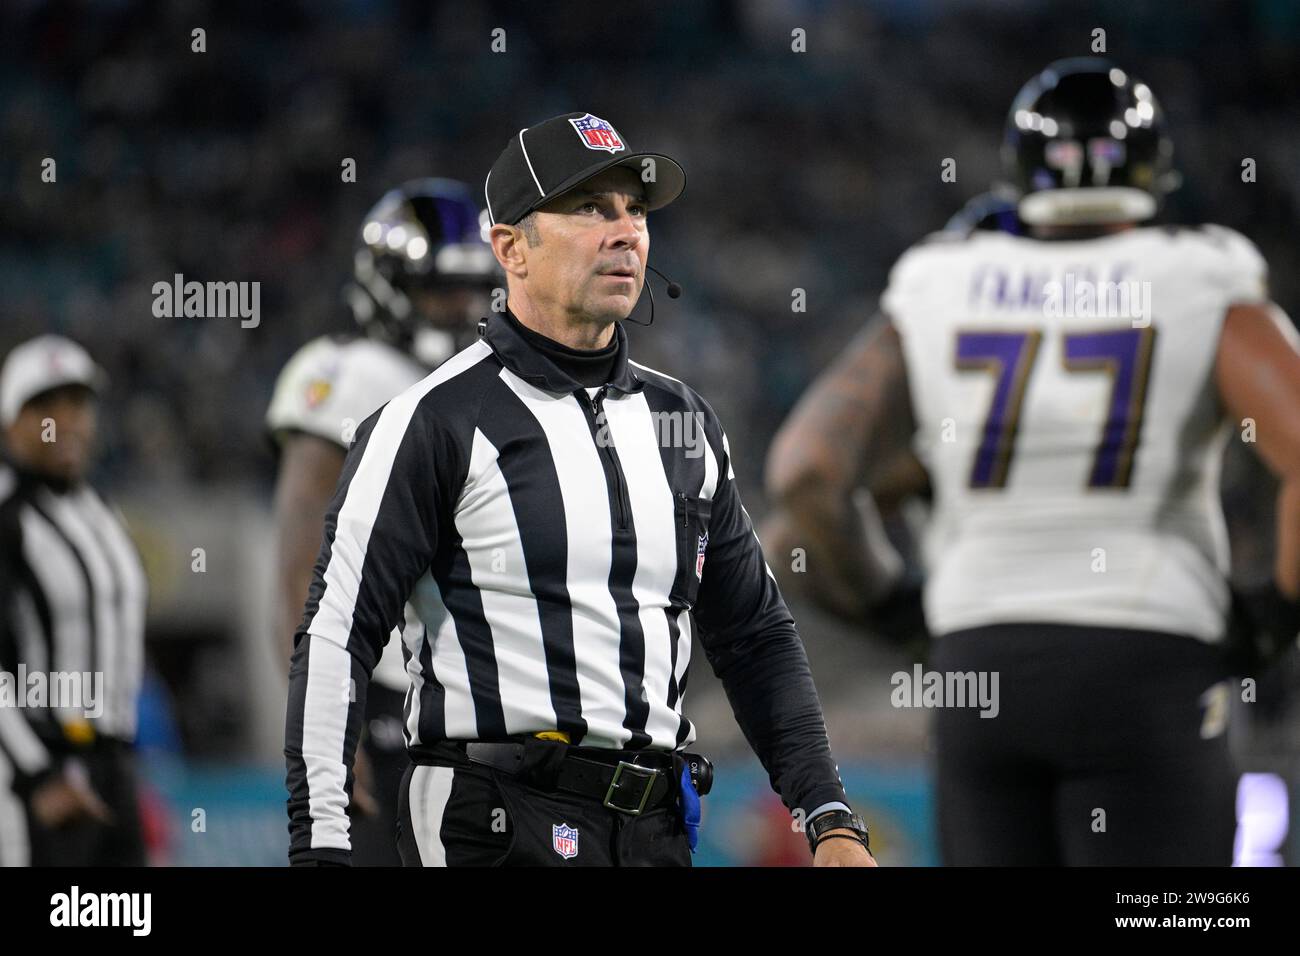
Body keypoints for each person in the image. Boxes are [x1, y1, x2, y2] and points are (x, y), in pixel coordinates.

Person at [285, 111, 875, 867]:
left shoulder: (683, 423)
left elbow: (755, 635)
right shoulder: (430, 421)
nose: (625, 230)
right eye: (590, 208)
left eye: (634, 210)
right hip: (496, 823)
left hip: (655, 826)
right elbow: (337, 634)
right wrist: (321, 844)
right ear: (510, 248)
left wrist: (826, 812)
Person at [765, 58, 1300, 865]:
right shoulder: (1199, 272)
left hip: (985, 672)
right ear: (1154, 169)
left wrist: (899, 612)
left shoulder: (941, 278)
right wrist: (1273, 618)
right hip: (1149, 654)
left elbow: (808, 473)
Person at [267, 179, 499, 865]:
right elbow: (301, 556)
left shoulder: (486, 385)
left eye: (468, 289)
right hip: (384, 701)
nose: (457, 307)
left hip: (470, 705)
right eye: (438, 290)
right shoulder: (352, 372)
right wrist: (323, 723)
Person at [0, 335, 148, 866]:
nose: (64, 419)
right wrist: (37, 773)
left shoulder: (100, 511)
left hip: (112, 766)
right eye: (44, 405)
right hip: (38, 772)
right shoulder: (9, 514)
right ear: (9, 420)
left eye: (77, 403)